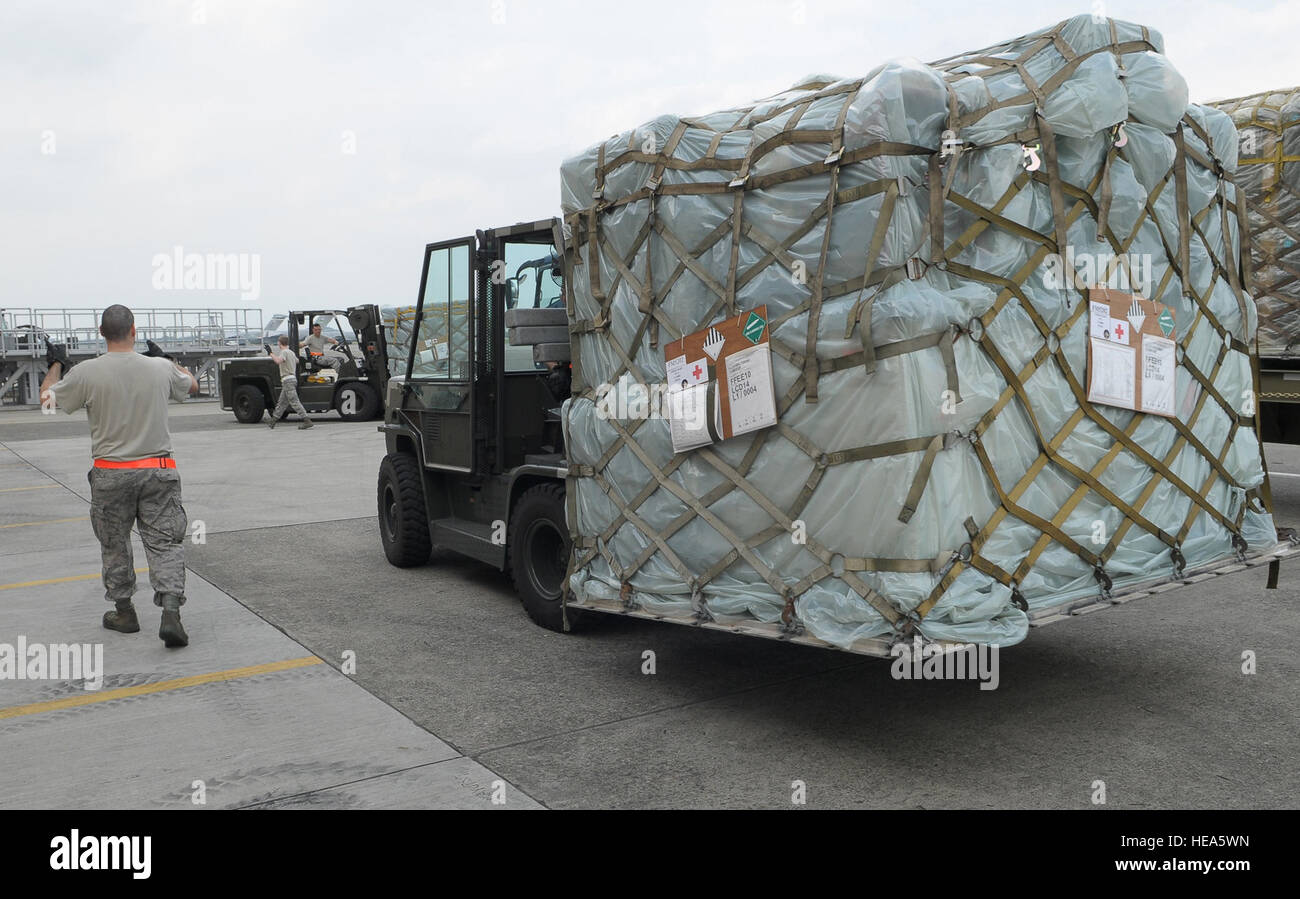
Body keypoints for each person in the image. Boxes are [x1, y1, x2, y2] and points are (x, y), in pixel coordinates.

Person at [38, 305, 199, 648]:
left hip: (111, 474)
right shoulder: (159, 368)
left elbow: (47, 399)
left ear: (101, 332)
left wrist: (56, 364)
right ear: (134, 331)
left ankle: (125, 613)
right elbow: (193, 385)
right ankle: (171, 611)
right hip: (158, 471)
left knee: (114, 545)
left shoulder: (86, 372)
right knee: (165, 543)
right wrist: (169, 360)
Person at [267, 335, 314, 430]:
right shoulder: (291, 352)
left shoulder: (284, 352)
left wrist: (270, 353)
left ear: (280, 343)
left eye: (278, 342)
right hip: (290, 380)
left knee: (294, 401)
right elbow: (297, 361)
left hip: (287, 380)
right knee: (282, 402)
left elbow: (278, 361)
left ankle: (307, 420)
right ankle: (273, 421)